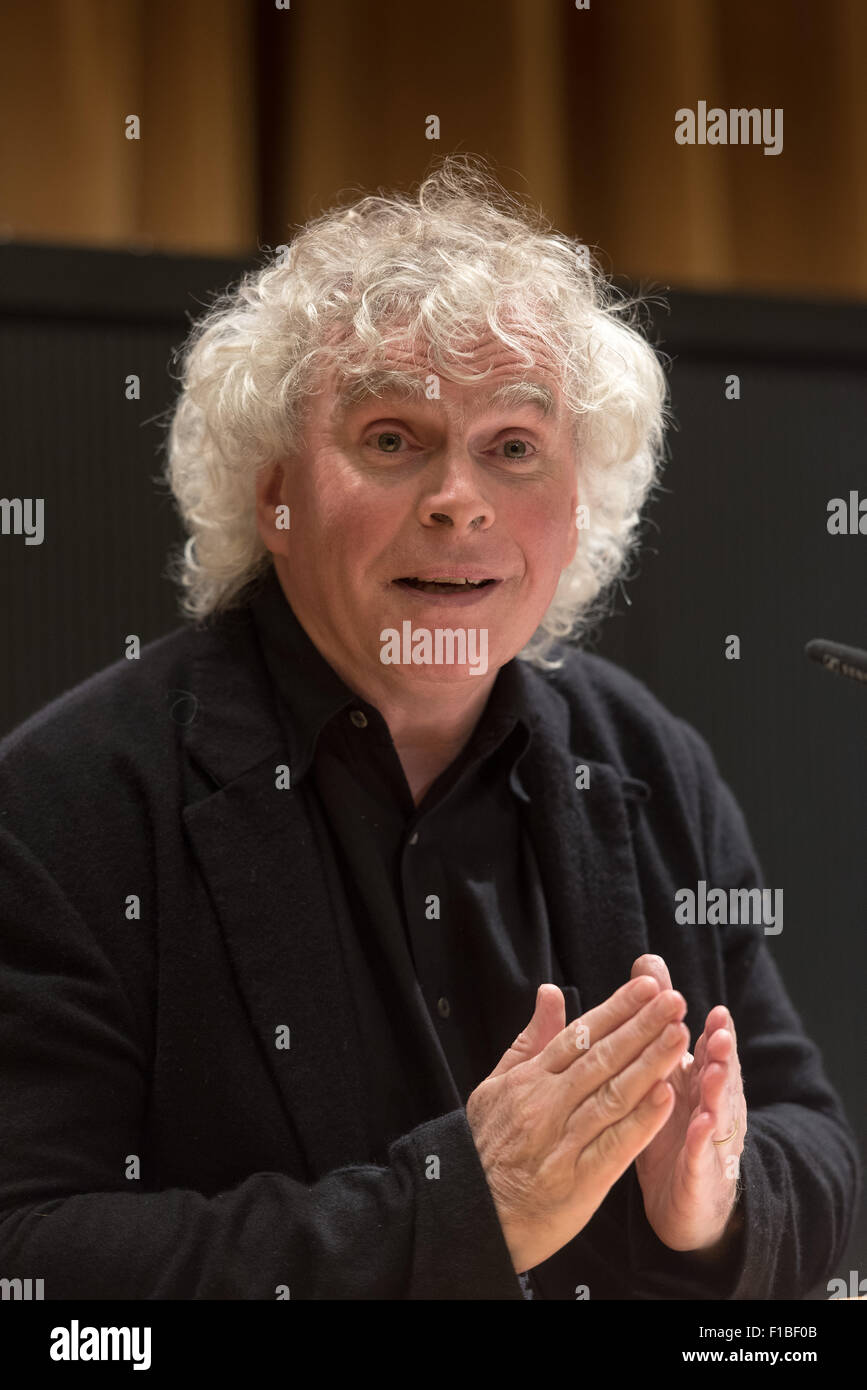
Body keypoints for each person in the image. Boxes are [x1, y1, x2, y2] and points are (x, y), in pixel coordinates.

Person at [0, 156, 859, 1300]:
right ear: (276, 494)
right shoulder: (68, 804)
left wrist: (717, 1202)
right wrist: (453, 1211)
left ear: (578, 505)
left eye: (514, 446)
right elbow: (32, 1266)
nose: (461, 499)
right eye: (393, 438)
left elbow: (816, 1142)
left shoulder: (651, 762)